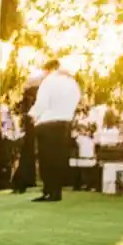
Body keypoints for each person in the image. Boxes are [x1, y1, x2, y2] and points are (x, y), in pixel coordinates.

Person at [28, 60, 82, 202]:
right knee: (59, 158)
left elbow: (42, 102)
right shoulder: (72, 83)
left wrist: (33, 115)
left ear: (48, 69)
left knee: (47, 159)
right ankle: (56, 191)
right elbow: (77, 99)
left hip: (47, 122)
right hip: (65, 122)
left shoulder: (49, 81)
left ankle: (48, 190)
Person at [12, 71, 44, 194]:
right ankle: (24, 180)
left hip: (29, 128)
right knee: (29, 153)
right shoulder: (34, 95)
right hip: (33, 127)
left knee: (27, 154)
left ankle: (23, 181)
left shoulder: (28, 96)